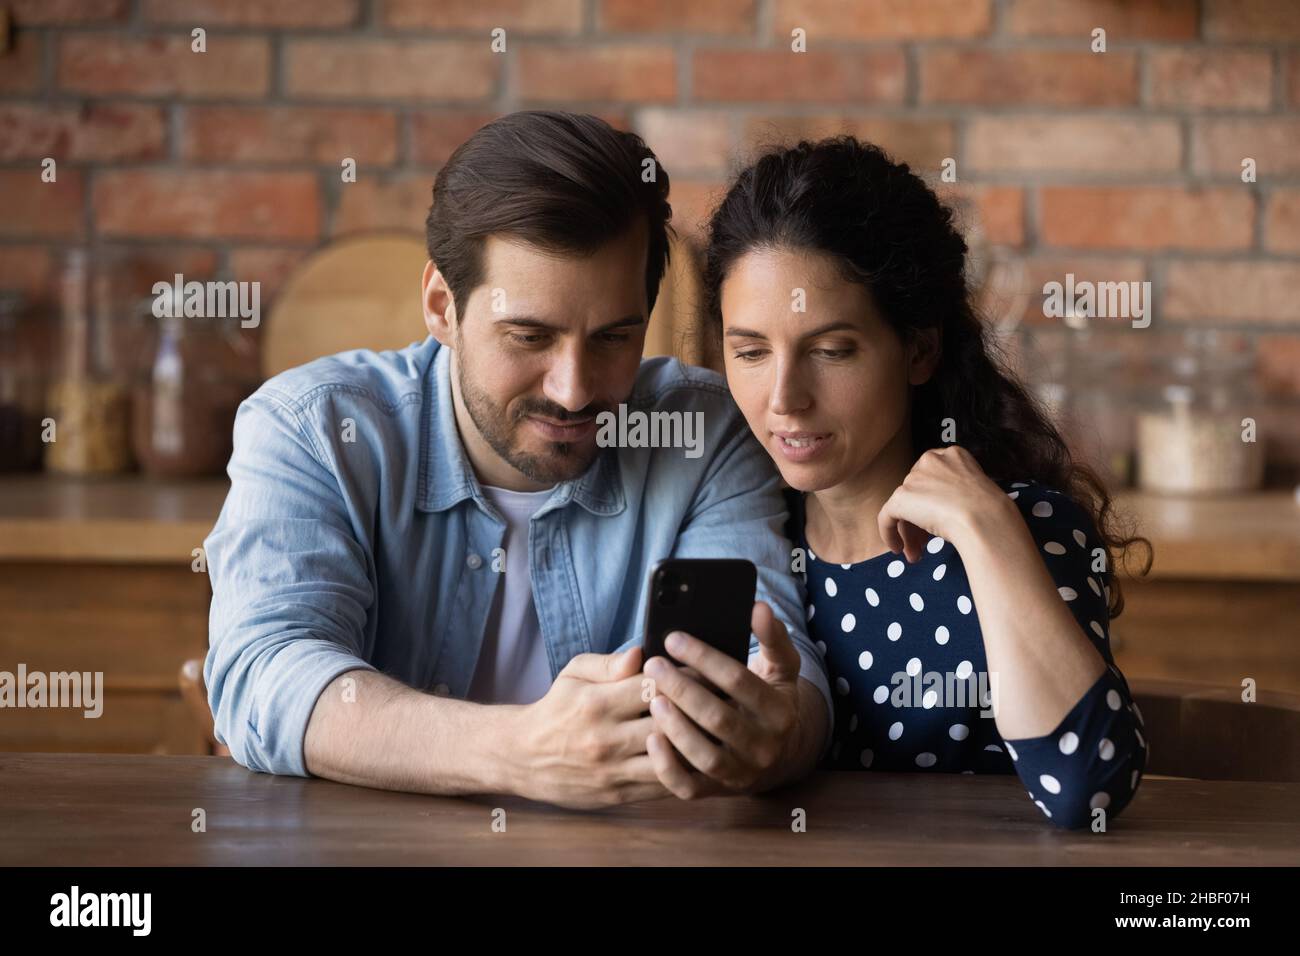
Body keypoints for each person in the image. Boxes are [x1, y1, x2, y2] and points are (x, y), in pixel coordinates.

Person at [203, 111, 832, 810]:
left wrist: (778, 735)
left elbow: (784, 677)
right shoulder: (312, 430)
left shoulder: (704, 432)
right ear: (443, 306)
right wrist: (523, 752)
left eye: (614, 338)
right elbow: (263, 672)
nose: (574, 389)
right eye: (529, 336)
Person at [700, 136, 1153, 829]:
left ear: (918, 348)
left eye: (831, 350)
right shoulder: (742, 530)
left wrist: (988, 532)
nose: (784, 398)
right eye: (751, 352)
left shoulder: (1023, 526)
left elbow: (1086, 789)